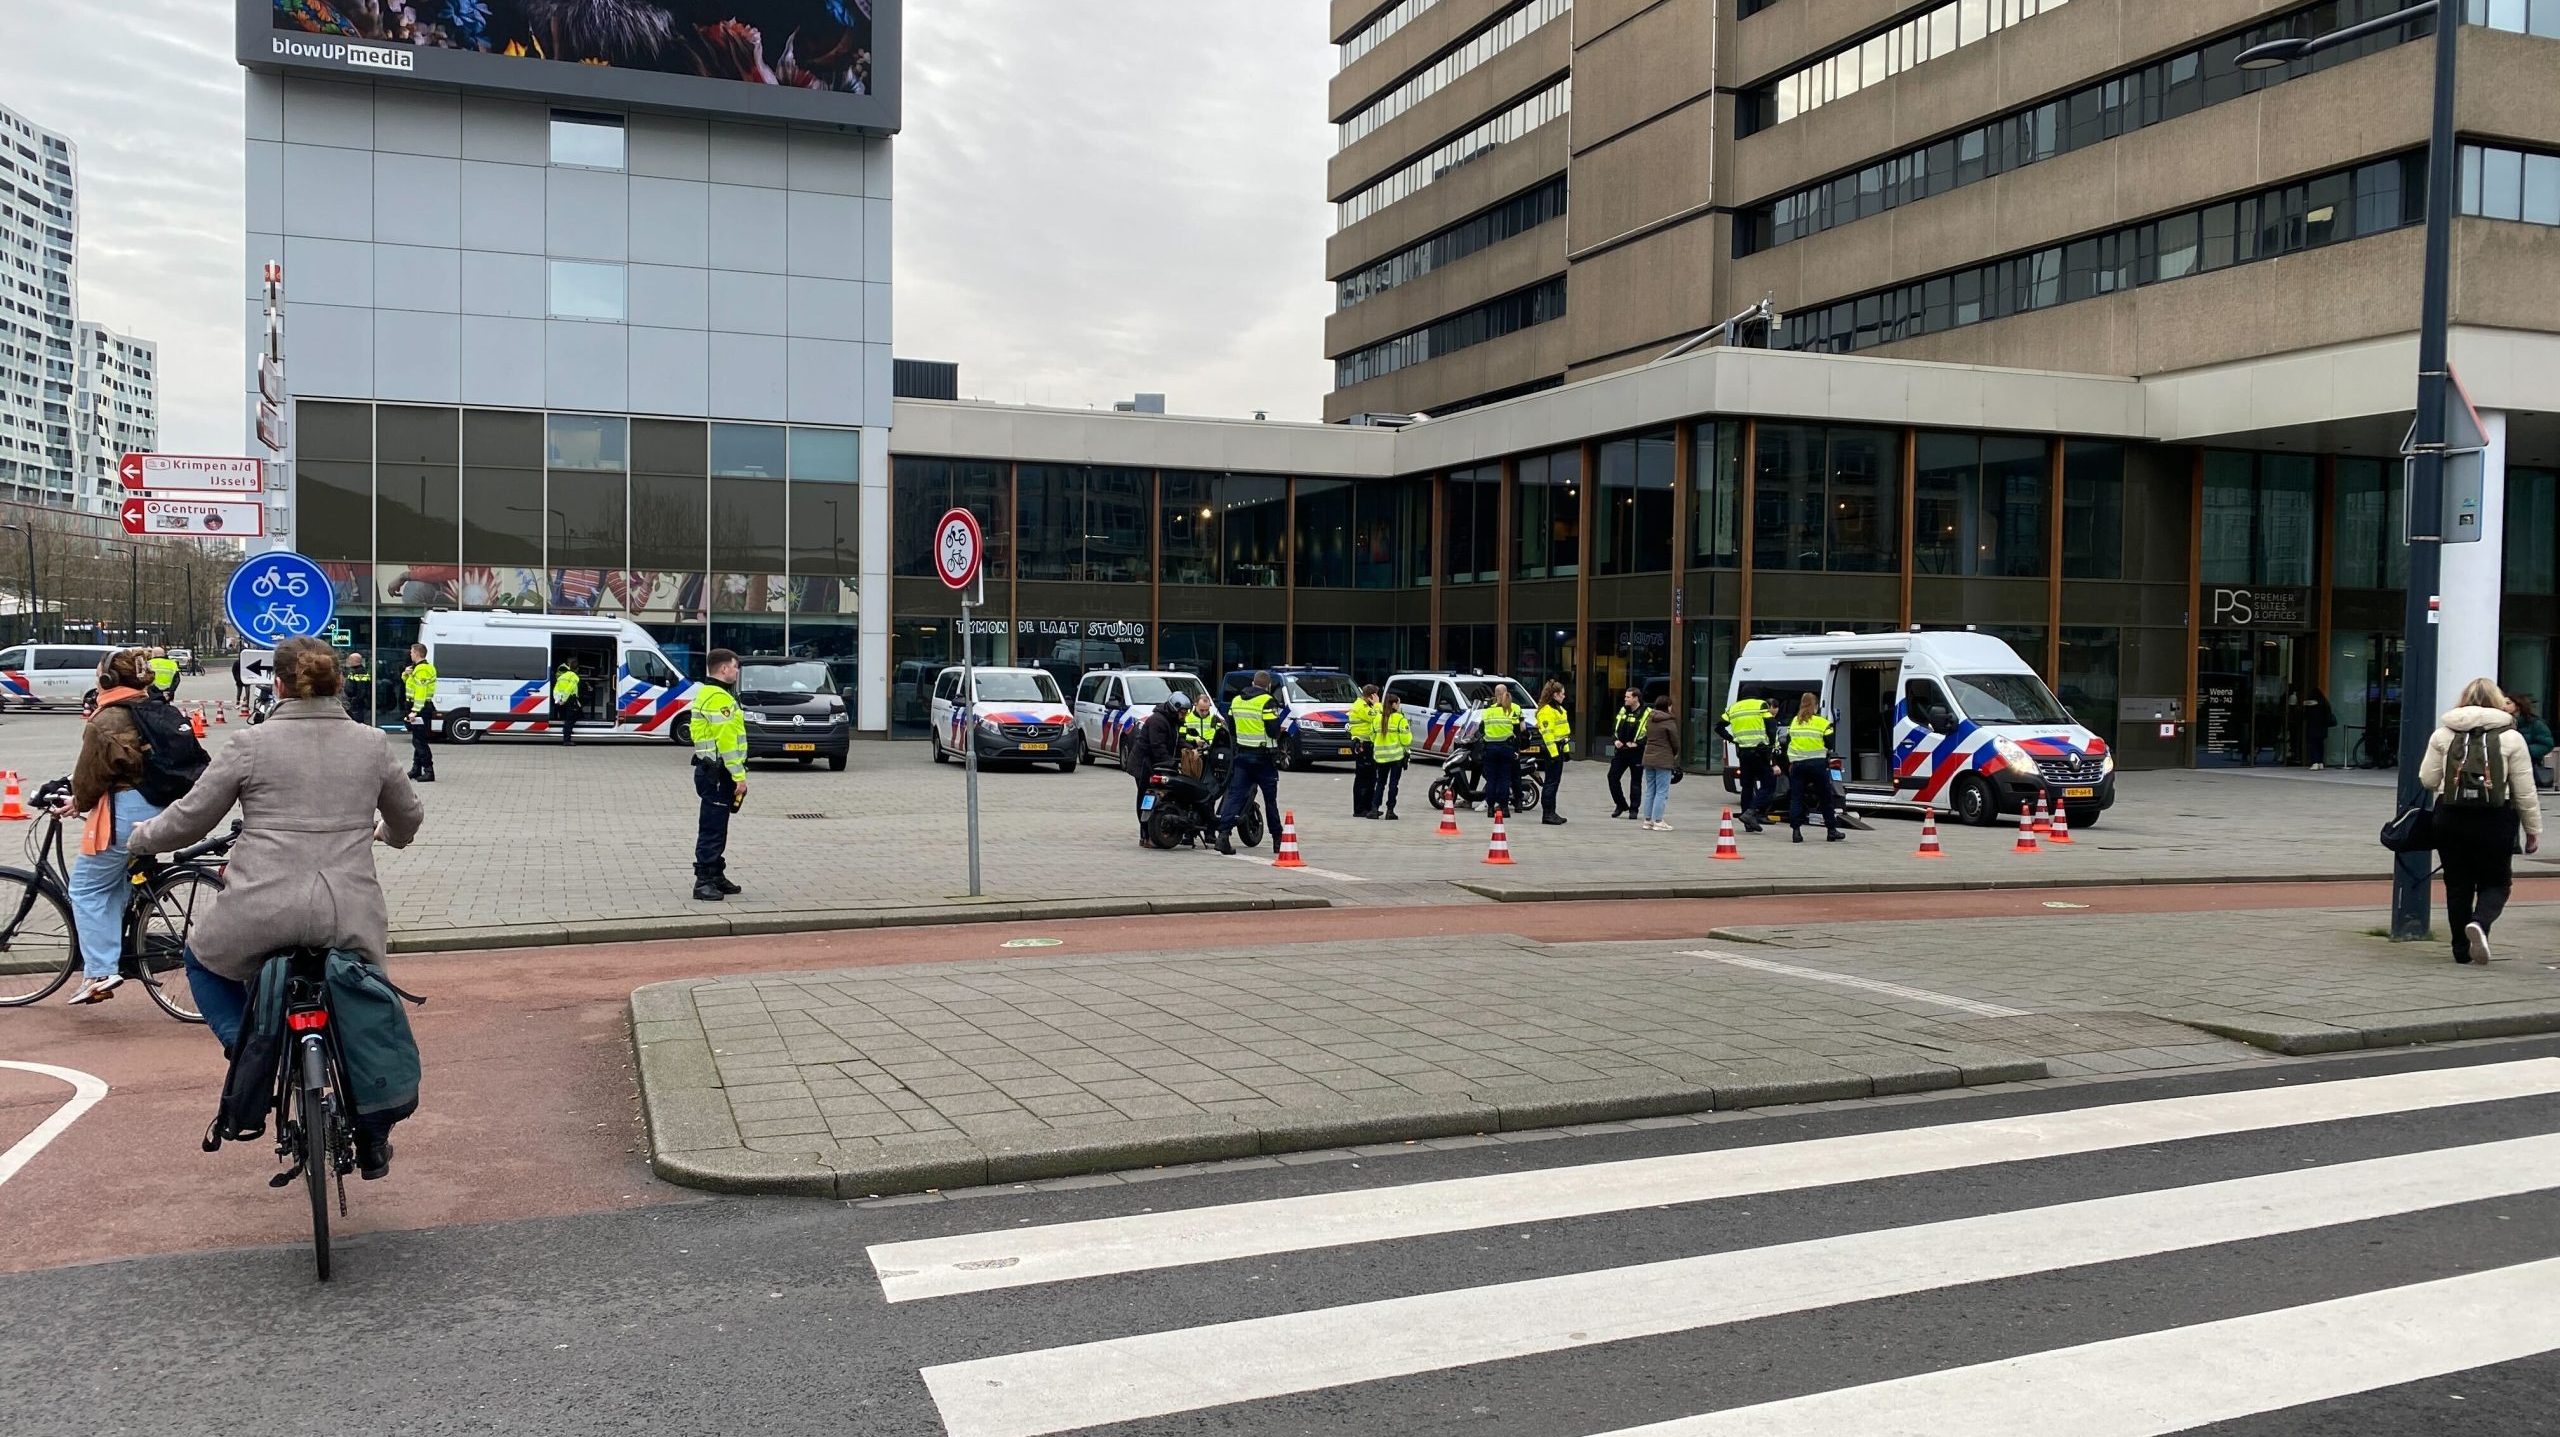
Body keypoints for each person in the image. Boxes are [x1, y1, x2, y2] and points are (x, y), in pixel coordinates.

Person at [130, 636, 422, 1179]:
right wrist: (388, 834)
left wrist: (140, 837)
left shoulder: (250, 743)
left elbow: (191, 818)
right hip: (347, 912)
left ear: (279, 685)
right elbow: (408, 816)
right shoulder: (372, 743)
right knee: (360, 1002)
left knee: (199, 960)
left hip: (260, 909)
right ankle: (372, 1133)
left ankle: (248, 1049)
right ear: (338, 684)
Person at [54, 648, 196, 1005]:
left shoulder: (105, 719)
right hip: (166, 808)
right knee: (113, 884)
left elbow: (90, 777)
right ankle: (121, 945)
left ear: (107, 679)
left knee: (85, 888)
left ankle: (100, 971)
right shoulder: (157, 707)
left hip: (127, 811)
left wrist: (77, 801)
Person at [2418, 678, 2542, 965]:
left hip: (2450, 816)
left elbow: (2428, 779)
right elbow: (2525, 790)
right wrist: (2533, 830)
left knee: (2457, 884)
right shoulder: (2511, 737)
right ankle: (2480, 923)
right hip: (2495, 818)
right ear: (2498, 701)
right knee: (2497, 882)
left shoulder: (2443, 733)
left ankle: (2460, 950)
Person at [688, 649, 748, 901]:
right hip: (718, 773)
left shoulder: (708, 692)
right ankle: (703, 881)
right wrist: (739, 775)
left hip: (712, 771)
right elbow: (726, 741)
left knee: (717, 824)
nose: (737, 671)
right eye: (735, 666)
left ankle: (715, 874)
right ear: (724, 669)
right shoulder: (718, 698)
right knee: (712, 827)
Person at [1214, 670, 1286, 856]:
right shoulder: (1268, 702)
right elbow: (1273, 731)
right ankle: (1277, 840)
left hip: (1242, 757)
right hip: (1264, 758)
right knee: (1270, 800)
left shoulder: (1237, 700)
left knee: (1234, 796)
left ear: (1253, 683)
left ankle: (1223, 835)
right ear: (1268, 685)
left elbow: (1231, 727)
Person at [1124, 692, 1187, 842]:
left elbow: (1176, 741)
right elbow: (1157, 746)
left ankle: (1152, 833)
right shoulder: (1158, 721)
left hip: (1154, 764)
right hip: (1143, 764)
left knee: (1153, 797)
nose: (1184, 715)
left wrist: (1190, 747)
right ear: (1174, 709)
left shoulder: (1171, 721)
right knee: (1146, 798)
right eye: (1182, 712)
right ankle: (1145, 834)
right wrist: (1170, 763)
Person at [1783, 691, 1844, 843]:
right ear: (1816, 706)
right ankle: (1831, 830)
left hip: (1798, 765)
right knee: (1825, 797)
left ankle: (1796, 832)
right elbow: (1830, 744)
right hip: (1817, 764)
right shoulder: (1822, 723)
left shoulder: (1795, 722)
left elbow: (1788, 741)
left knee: (1796, 798)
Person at [1720, 692, 1778, 833]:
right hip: (1759, 752)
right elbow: (1771, 726)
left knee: (1747, 786)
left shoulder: (1733, 708)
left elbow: (1719, 727)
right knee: (1769, 784)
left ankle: (1748, 823)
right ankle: (1751, 812)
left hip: (1743, 753)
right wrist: (1770, 745)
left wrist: (1733, 739)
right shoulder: (1761, 705)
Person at [1479, 686, 1523, 819]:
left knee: (1491, 779)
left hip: (1490, 748)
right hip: (1506, 748)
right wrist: (1516, 749)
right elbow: (1518, 730)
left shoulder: (1488, 711)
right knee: (1505, 778)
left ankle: (1490, 808)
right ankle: (1504, 808)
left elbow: (1481, 729)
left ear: (1495, 695)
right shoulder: (1510, 710)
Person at [1533, 680, 1573, 826]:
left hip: (1559, 748)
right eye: (1562, 693)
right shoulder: (1547, 711)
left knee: (1555, 782)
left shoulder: (1558, 709)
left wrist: (1566, 751)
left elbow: (1563, 733)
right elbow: (1548, 735)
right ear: (1555, 695)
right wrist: (1554, 754)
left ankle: (1552, 812)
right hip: (1552, 750)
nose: (1564, 696)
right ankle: (1547, 814)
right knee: (1550, 783)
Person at [1639, 694, 1680, 831]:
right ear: (1668, 706)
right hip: (1663, 758)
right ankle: (1658, 821)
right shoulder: (1669, 721)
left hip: (1648, 757)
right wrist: (1675, 753)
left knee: (1650, 790)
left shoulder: (1650, 718)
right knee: (1662, 791)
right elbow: (1675, 741)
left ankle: (1647, 820)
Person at [1607, 688, 1649, 819]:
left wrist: (1638, 743)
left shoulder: (1646, 713)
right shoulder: (1623, 710)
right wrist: (1615, 740)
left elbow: (1649, 733)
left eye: (1628, 697)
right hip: (1621, 752)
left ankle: (1634, 809)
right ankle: (1621, 804)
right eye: (1625, 696)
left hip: (1637, 753)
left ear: (1636, 698)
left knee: (1636, 781)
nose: (1625, 699)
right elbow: (1615, 727)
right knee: (1612, 777)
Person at [1372, 689, 1413, 819]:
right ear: (1394, 704)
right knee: (1393, 784)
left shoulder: (1377, 718)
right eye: (1398, 704)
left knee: (1380, 783)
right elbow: (1406, 741)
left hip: (1380, 758)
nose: (1399, 706)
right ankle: (1390, 811)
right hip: (1396, 757)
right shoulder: (1400, 719)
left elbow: (1372, 737)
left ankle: (1374, 809)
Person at [401, 642, 438, 783]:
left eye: (411, 652)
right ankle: (416, 769)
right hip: (418, 707)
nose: (410, 654)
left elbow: (421, 692)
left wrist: (415, 711)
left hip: (420, 708)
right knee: (417, 739)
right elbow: (409, 684)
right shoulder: (418, 668)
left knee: (419, 741)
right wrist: (406, 674)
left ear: (417, 653)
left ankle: (428, 771)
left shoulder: (422, 669)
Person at [1349, 683, 1383, 818]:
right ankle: (1359, 809)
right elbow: (1376, 717)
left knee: (1371, 778)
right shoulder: (1361, 706)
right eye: (1376, 695)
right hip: (1362, 745)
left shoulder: (1367, 706)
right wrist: (1377, 704)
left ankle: (1369, 807)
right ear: (1371, 696)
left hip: (1368, 744)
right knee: (1362, 778)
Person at [2513, 694, 2556, 790]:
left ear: (2518, 706)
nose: (2503, 705)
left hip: (2528, 765)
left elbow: (2547, 744)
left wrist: (2525, 751)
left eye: (2508, 703)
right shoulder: (2502, 723)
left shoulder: (2535, 723)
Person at [552, 659, 583, 745]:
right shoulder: (574, 677)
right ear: (577, 669)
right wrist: (564, 700)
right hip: (570, 699)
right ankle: (567, 740)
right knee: (570, 719)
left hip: (562, 699)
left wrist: (558, 699)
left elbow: (556, 689)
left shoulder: (562, 676)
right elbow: (569, 689)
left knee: (577, 714)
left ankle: (566, 729)